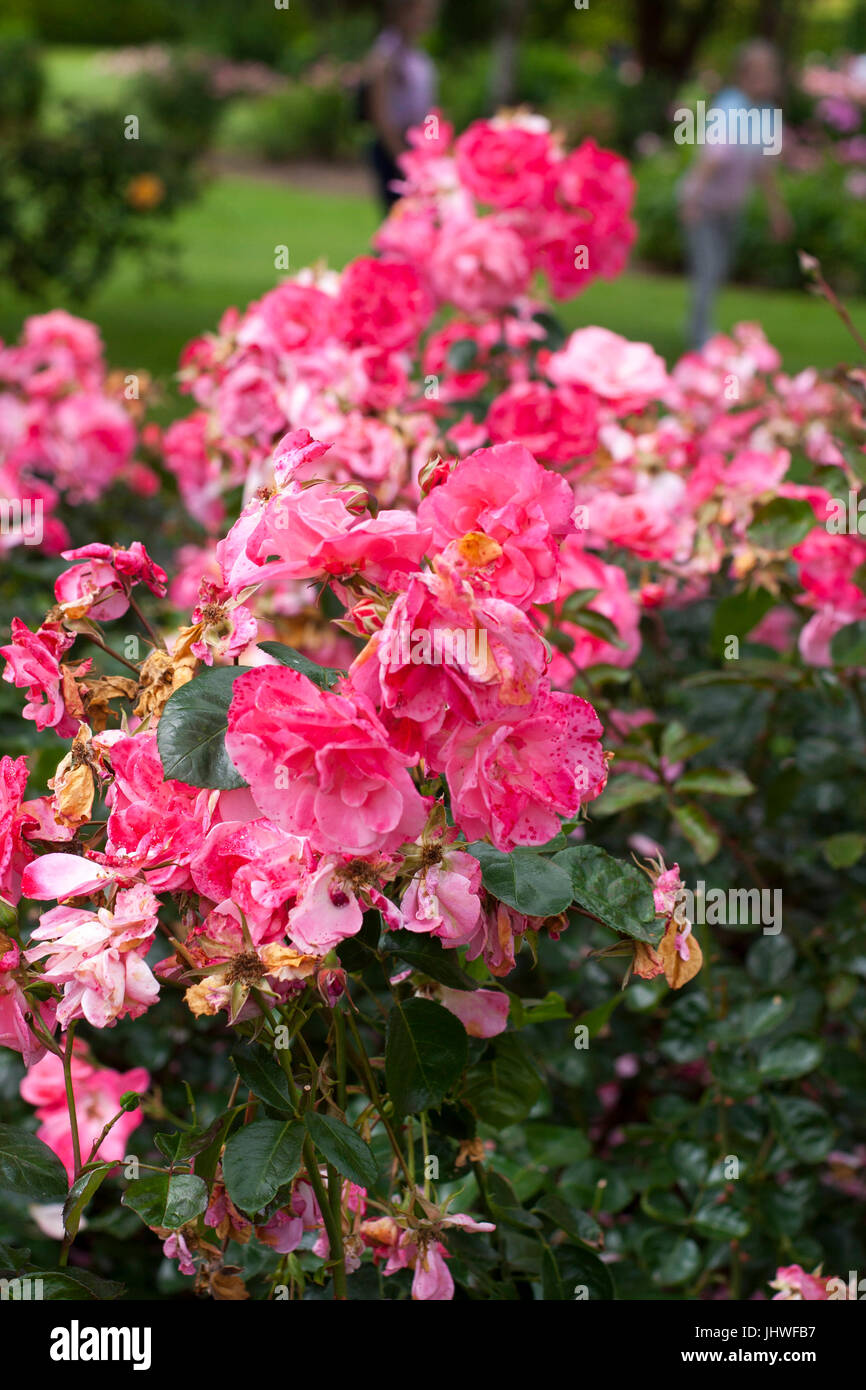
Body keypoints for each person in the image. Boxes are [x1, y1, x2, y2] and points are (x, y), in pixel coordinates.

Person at [679, 41, 793, 349]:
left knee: (718, 271)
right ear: (743, 74)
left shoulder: (767, 113)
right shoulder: (730, 106)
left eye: (770, 71)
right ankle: (700, 338)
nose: (767, 77)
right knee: (708, 270)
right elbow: (711, 158)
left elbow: (765, 170)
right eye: (759, 71)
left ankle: (699, 326)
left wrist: (778, 213)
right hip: (703, 204)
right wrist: (691, 200)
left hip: (730, 207)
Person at [364, 0, 438, 214]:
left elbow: (429, 111)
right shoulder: (386, 56)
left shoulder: (416, 54)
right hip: (395, 144)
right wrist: (403, 158)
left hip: (416, 145)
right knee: (400, 217)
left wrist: (431, 147)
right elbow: (380, 114)